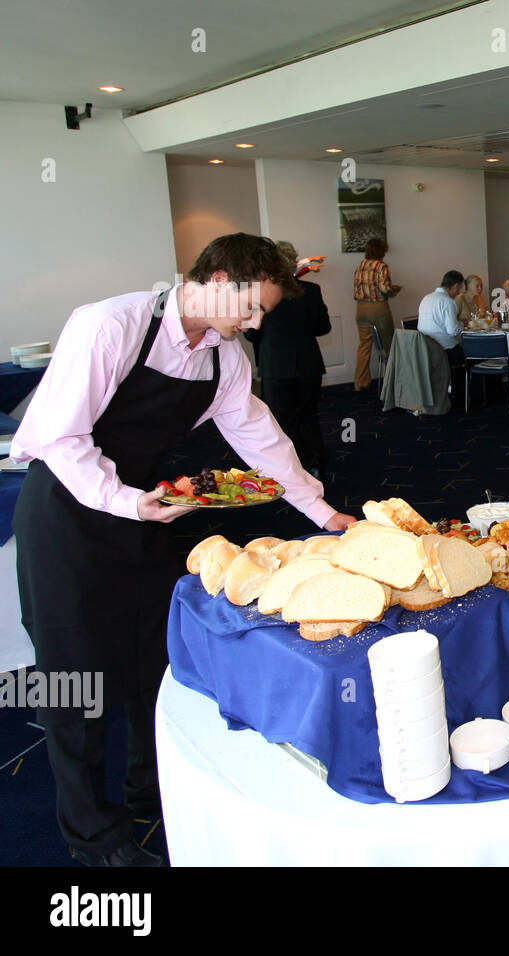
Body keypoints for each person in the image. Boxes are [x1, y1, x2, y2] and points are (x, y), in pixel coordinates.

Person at [10, 233, 356, 867]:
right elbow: (60, 440)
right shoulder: (109, 325)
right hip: (65, 512)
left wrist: (324, 512)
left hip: (145, 511)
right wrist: (124, 500)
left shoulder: (224, 358)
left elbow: (261, 438)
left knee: (154, 658)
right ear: (218, 280)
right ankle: (94, 837)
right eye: (251, 309)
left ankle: (150, 791)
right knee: (72, 677)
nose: (255, 324)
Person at [243, 240, 331, 475]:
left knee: (281, 419)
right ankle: (314, 462)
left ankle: (291, 467)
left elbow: (251, 334)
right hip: (309, 364)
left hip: (275, 366)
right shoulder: (312, 290)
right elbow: (323, 328)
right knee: (308, 414)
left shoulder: (261, 294)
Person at [352, 237, 401, 390]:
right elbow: (384, 288)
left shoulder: (360, 265)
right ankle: (394, 380)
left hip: (361, 308)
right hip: (378, 308)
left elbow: (356, 290)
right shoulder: (381, 266)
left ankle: (360, 382)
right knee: (389, 344)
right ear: (381, 251)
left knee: (364, 346)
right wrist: (394, 290)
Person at [418, 270, 466, 367]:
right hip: (444, 351)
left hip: (425, 349)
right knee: (473, 353)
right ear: (455, 286)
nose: (459, 292)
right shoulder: (448, 301)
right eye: (460, 288)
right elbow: (453, 331)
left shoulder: (426, 297)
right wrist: (462, 324)